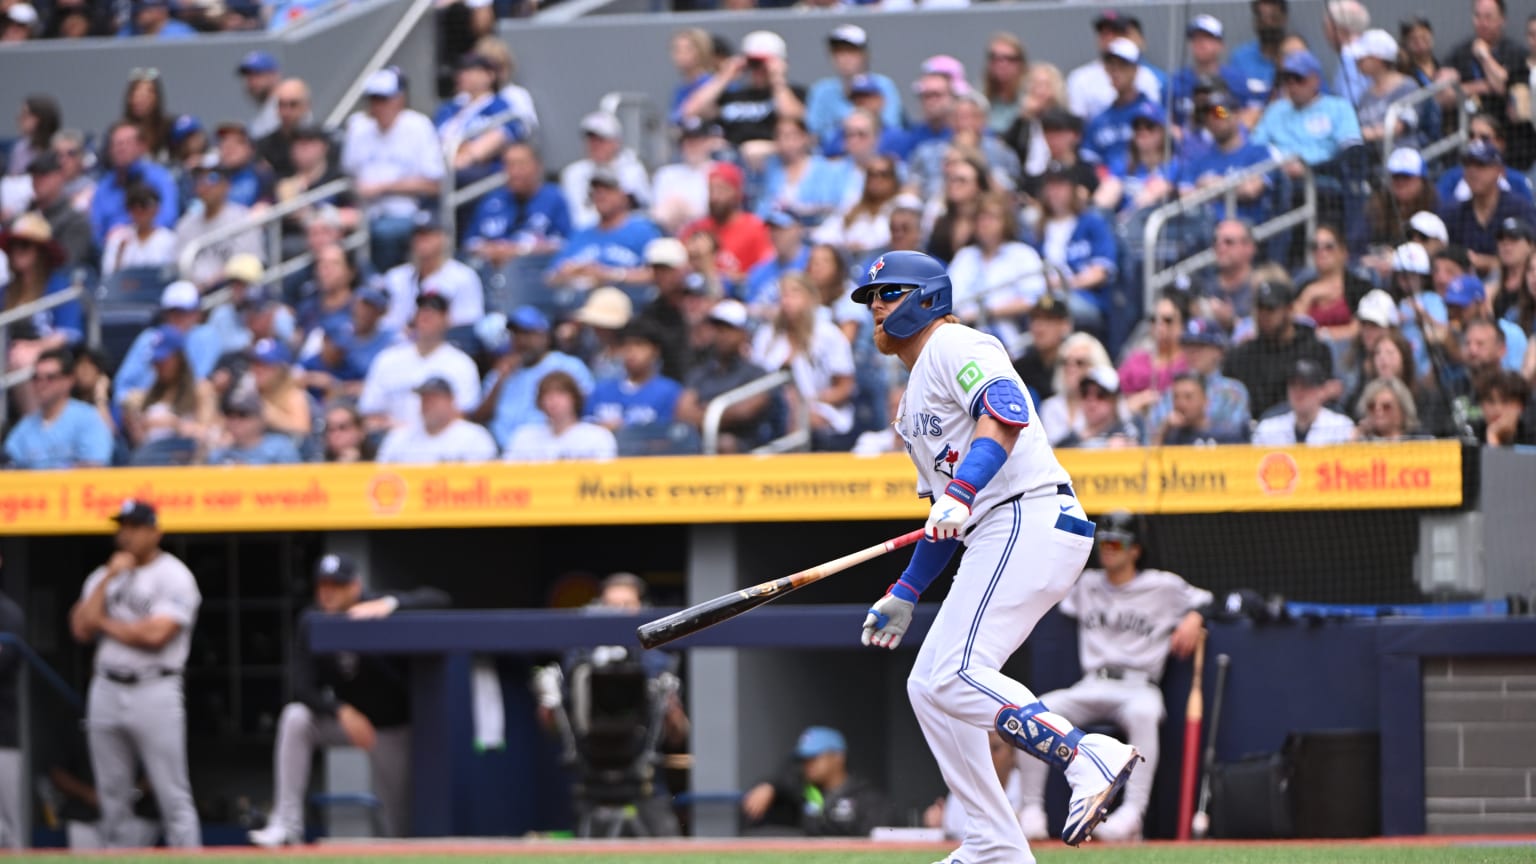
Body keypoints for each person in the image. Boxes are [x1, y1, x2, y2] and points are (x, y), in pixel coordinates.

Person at [853, 251, 1140, 861]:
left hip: (1027, 514)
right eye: (870, 298)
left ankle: (1084, 753)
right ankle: (993, 842)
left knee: (951, 674)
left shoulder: (954, 345)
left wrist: (960, 495)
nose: (875, 308)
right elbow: (941, 520)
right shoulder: (908, 410)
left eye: (888, 294)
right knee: (930, 686)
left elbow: (1005, 412)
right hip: (998, 530)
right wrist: (905, 592)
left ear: (927, 296)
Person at [1014, 512, 1210, 842]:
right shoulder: (1086, 583)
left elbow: (1211, 601)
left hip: (1138, 686)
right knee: (1037, 709)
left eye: (1117, 542)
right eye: (1104, 542)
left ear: (1136, 550)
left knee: (1144, 713)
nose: (1108, 549)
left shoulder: (1162, 585)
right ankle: (1031, 809)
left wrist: (1194, 616)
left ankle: (1133, 814)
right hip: (1092, 683)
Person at [248, 554, 449, 846]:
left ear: (355, 586)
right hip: (347, 720)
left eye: (337, 584)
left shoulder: (376, 605)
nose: (328, 591)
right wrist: (339, 710)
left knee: (401, 824)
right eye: (323, 584)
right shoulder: (311, 620)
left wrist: (392, 604)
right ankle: (286, 825)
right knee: (296, 717)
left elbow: (440, 599)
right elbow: (300, 686)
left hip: (391, 727)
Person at [67, 500, 201, 848]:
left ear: (155, 531)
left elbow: (156, 636)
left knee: (173, 793)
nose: (126, 534)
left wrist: (104, 623)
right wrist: (110, 576)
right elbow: (81, 628)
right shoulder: (104, 575)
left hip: (155, 685)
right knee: (111, 795)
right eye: (122, 526)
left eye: (135, 526)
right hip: (107, 686)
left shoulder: (174, 575)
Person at [340, 67, 445, 271]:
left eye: (384, 99)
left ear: (400, 99)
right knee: (323, 228)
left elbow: (433, 184)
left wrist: (382, 188)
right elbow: (349, 177)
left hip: (407, 210)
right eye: (373, 99)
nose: (378, 106)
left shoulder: (418, 126)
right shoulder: (358, 126)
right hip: (363, 210)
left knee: (385, 232)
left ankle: (378, 285)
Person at [750, 272, 856, 450]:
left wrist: (811, 401)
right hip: (770, 411)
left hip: (820, 408)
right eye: (783, 295)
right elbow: (755, 381)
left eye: (794, 293)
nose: (787, 301)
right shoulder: (766, 336)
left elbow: (845, 387)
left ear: (810, 298)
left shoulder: (829, 334)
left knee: (802, 418)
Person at [475, 305, 594, 449]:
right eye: (516, 334)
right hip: (503, 453)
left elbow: (586, 408)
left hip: (552, 448)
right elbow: (479, 417)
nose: (521, 341)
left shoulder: (568, 365)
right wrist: (500, 380)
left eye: (528, 334)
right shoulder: (501, 371)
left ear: (544, 336)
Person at [740, 726, 892, 837]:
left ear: (838, 757)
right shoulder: (804, 790)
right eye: (804, 760)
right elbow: (782, 784)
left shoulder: (867, 799)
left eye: (815, 757)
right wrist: (769, 786)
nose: (808, 765)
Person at [358, 293, 480, 431]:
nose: (427, 314)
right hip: (392, 438)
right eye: (422, 309)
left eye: (435, 310)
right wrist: (401, 431)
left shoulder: (462, 364)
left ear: (447, 319)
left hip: (440, 442)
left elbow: (463, 415)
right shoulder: (387, 359)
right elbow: (368, 413)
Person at [673, 299, 777, 453]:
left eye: (728, 329)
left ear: (743, 333)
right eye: (717, 329)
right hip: (699, 443)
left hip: (748, 450)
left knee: (725, 443)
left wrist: (705, 410)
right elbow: (682, 412)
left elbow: (745, 411)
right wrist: (715, 415)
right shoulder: (700, 373)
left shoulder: (756, 373)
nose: (721, 335)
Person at [681, 30, 807, 151]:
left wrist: (777, 79)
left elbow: (793, 117)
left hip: (774, 160)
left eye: (763, 64)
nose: (757, 70)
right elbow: (691, 111)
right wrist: (724, 76)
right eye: (753, 64)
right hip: (731, 160)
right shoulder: (732, 95)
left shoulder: (794, 93)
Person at [1224, 279, 1335, 418]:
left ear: (1289, 309)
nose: (1263, 316)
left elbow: (1325, 395)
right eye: (1260, 309)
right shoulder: (1241, 355)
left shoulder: (1315, 350)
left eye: (1271, 309)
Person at [464, 143, 571, 269]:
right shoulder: (491, 201)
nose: (515, 172)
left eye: (521, 164)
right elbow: (470, 243)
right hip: (491, 271)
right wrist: (492, 250)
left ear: (537, 166)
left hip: (534, 274)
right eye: (509, 165)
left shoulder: (554, 198)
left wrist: (520, 250)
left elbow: (565, 244)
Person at [4, 347, 113, 468]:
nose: (41, 384)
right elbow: (8, 466)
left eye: (50, 377)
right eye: (36, 378)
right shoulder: (25, 426)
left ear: (69, 380)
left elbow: (95, 466)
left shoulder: (88, 418)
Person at [1146, 318, 1252, 441]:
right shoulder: (1173, 391)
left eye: (1200, 346)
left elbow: (1238, 437)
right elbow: (1150, 438)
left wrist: (1198, 424)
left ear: (1219, 351)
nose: (1193, 352)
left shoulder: (1233, 392)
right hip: (1178, 456)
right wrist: (1166, 426)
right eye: (1188, 346)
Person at [1440, 141, 1536, 275]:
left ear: (1500, 171)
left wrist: (1486, 262)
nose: (1473, 171)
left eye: (1481, 165)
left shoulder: (1519, 207)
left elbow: (1531, 254)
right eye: (1468, 165)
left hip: (1511, 283)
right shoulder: (1453, 212)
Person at [381, 213, 485, 334]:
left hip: (445, 346)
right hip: (398, 348)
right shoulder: (395, 277)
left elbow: (469, 324)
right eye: (418, 235)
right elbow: (384, 323)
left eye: (428, 234)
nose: (422, 240)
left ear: (443, 238)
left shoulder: (464, 276)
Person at [805, 25, 902, 148]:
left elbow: (891, 126)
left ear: (864, 54)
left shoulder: (883, 85)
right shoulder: (821, 90)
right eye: (839, 52)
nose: (845, 58)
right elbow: (814, 132)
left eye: (851, 51)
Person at [89, 121, 178, 248]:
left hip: (150, 245)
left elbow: (168, 217)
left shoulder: (160, 177)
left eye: (127, 143)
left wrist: (135, 233)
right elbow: (95, 229)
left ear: (142, 147)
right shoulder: (103, 186)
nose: (121, 149)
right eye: (116, 144)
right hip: (111, 250)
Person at [559, 111, 651, 232]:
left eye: (601, 140)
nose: (595, 145)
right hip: (582, 235)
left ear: (616, 142)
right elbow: (573, 214)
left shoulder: (633, 171)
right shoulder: (573, 173)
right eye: (591, 140)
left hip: (622, 233)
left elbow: (643, 211)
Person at [503, 370, 617, 462]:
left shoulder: (597, 436)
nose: (553, 400)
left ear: (574, 398)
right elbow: (508, 476)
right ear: (540, 401)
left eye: (560, 393)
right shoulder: (523, 436)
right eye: (547, 395)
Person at [1251, 358, 1355, 445]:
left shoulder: (1341, 427)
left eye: (1305, 385)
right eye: (1293, 385)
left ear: (1321, 391)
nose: (1298, 392)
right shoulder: (1268, 429)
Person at [27, 151, 93, 268]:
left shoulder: (75, 221)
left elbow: (67, 265)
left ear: (60, 176)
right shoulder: (26, 215)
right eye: (34, 175)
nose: (37, 181)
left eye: (43, 175)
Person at [208, 390, 303, 465]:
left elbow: (295, 484)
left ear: (260, 419)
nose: (235, 421)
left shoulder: (280, 448)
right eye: (229, 414)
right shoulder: (219, 453)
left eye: (243, 415)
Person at [1056, 366, 1141, 449]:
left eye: (1101, 395)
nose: (1091, 401)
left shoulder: (1129, 433)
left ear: (1115, 400)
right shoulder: (1072, 438)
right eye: (1085, 393)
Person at [1012, 289, 1073, 404]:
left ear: (1065, 325)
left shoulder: (1076, 362)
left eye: (1048, 320)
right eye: (1035, 319)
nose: (1039, 328)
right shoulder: (1022, 367)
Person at [1474, 369, 1535, 445]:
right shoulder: (1472, 435)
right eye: (1490, 401)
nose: (1497, 409)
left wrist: (1493, 436)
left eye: (1505, 401)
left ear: (1520, 406)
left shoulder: (1532, 436)